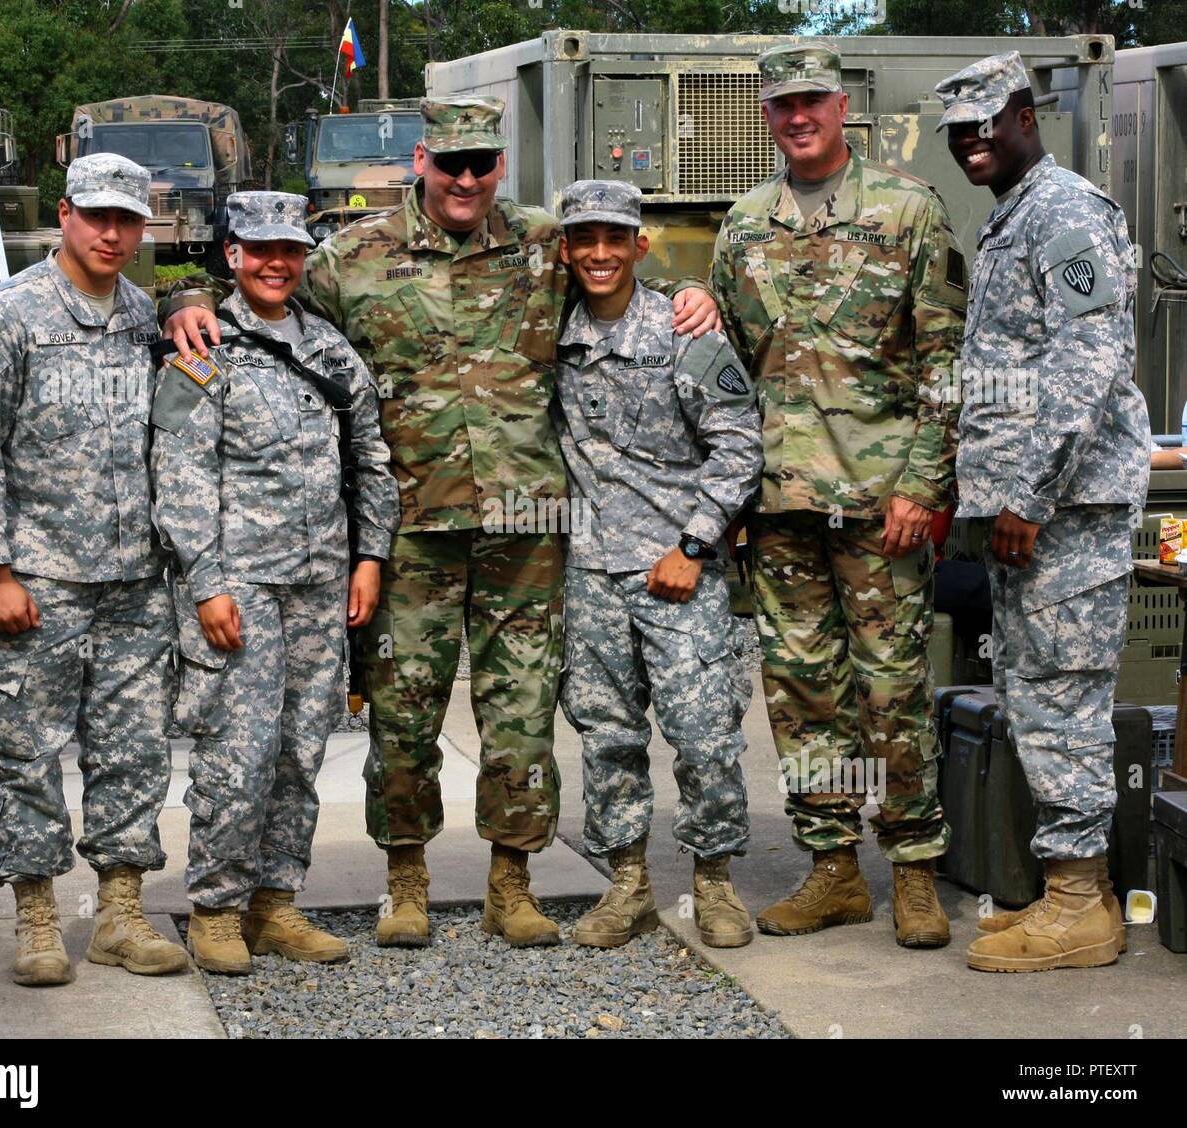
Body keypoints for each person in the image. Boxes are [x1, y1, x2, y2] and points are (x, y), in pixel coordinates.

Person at [161, 96, 720, 949]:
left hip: (526, 526)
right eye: (450, 162)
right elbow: (261, 287)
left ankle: (511, 882)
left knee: (523, 712)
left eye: (482, 163)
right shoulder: (351, 257)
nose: (466, 179)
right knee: (403, 713)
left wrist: (690, 293)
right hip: (410, 532)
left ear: (499, 165)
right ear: (422, 159)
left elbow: (620, 263)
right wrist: (186, 296)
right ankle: (407, 884)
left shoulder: (542, 243)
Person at [710, 43, 967, 948]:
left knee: (891, 688)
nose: (798, 117)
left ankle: (914, 870)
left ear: (842, 106)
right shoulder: (743, 226)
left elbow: (945, 364)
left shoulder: (906, 211)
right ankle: (832, 869)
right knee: (801, 692)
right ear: (768, 117)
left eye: (812, 100)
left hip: (878, 503)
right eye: (782, 105)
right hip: (780, 502)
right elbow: (731, 374)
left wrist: (926, 484)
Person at [0, 153, 187, 985]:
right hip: (35, 583)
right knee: (25, 752)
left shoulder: (144, 314)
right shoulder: (4, 316)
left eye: (129, 221)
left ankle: (119, 913)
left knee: (135, 752)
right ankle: (37, 917)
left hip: (132, 584)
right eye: (98, 217)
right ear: (68, 215)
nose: (113, 235)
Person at [936, 52, 1152, 972]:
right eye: (958, 132)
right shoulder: (1012, 218)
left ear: (1028, 115)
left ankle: (1079, 909)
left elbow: (1086, 364)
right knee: (1036, 693)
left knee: (1062, 699)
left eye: (989, 124)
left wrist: (1027, 494)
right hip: (1031, 510)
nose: (973, 143)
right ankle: (1080, 889)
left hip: (1062, 510)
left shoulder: (1064, 212)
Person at [150, 191, 398, 975]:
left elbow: (372, 461)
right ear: (232, 255)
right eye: (259, 249)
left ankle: (275, 903)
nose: (275, 263)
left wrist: (370, 557)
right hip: (241, 587)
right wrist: (206, 582)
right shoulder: (203, 347)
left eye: (289, 250)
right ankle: (216, 908)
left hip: (322, 583)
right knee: (238, 751)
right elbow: (180, 472)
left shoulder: (329, 350)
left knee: (300, 749)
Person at [552, 180, 764, 949]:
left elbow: (740, 442)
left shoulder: (686, 331)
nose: (600, 254)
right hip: (592, 572)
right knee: (607, 739)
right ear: (567, 250)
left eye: (616, 239)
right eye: (585, 241)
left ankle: (715, 883)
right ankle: (629, 886)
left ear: (640, 245)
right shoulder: (553, 333)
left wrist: (695, 545)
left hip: (679, 572)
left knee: (706, 735)